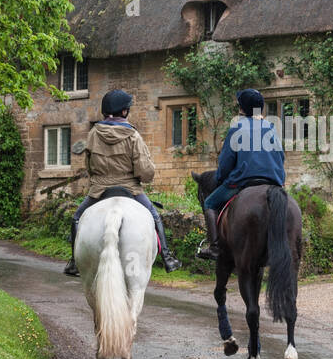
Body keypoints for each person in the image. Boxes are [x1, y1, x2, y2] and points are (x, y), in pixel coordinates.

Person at [64, 89, 181, 276]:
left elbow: (89, 166)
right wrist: (144, 176)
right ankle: (167, 257)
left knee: (77, 218)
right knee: (154, 215)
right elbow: (145, 172)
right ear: (124, 112)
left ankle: (74, 262)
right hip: (130, 189)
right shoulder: (133, 135)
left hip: (99, 190)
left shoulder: (93, 133)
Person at [197, 89, 286, 260]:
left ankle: (214, 247)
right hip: (273, 182)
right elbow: (280, 157)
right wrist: (280, 181)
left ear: (242, 109)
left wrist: (221, 179)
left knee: (209, 203)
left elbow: (225, 163)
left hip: (243, 182)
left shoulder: (237, 128)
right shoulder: (271, 128)